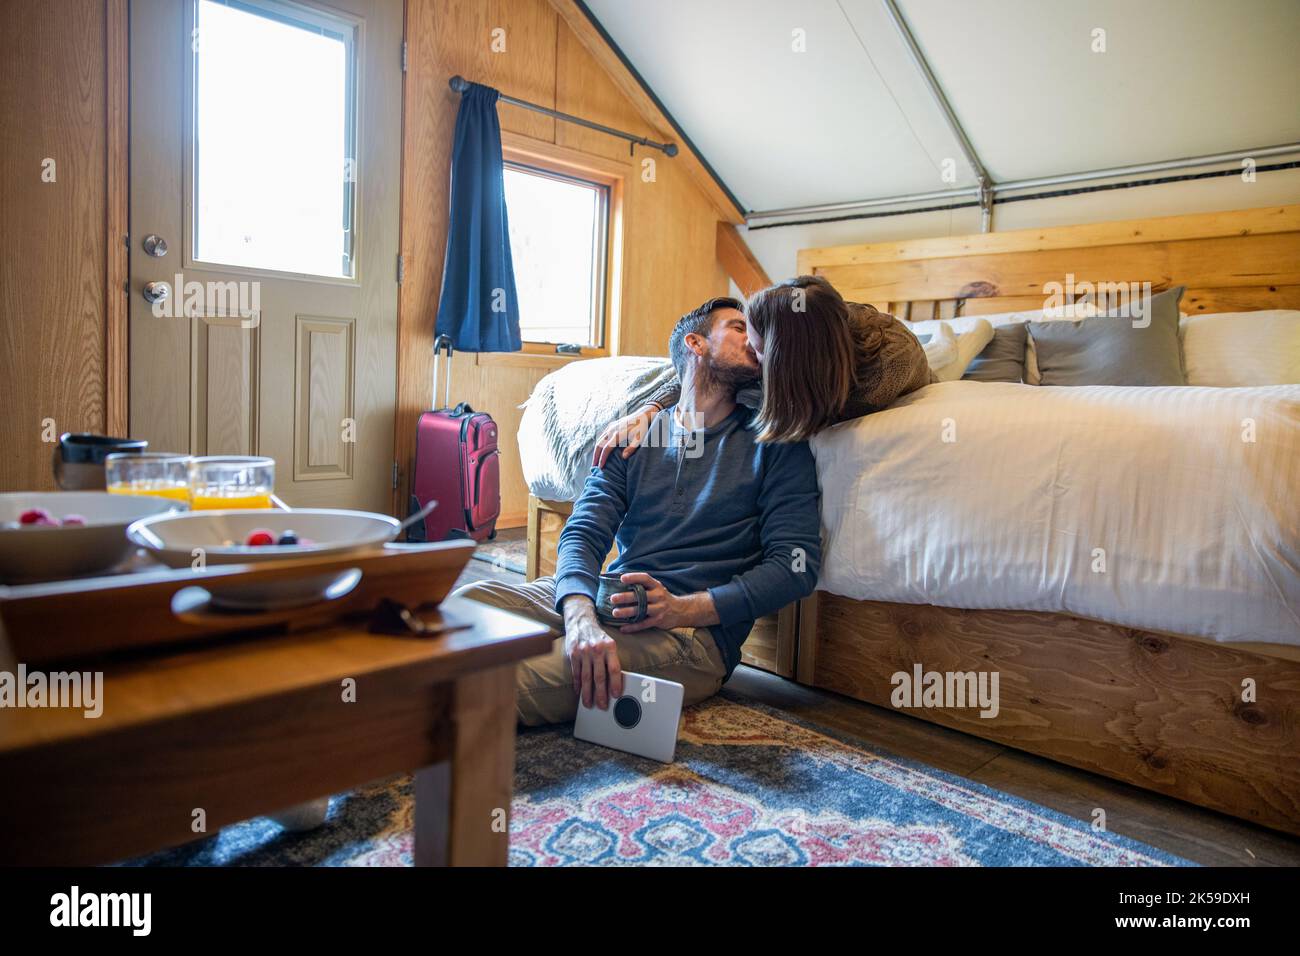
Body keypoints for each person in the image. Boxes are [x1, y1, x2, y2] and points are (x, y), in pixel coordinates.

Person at [451, 297, 822, 726]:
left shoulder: (776, 443)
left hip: (691, 637)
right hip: (614, 599)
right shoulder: (633, 435)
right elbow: (584, 531)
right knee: (461, 608)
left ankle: (379, 726)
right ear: (695, 344)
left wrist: (684, 609)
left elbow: (796, 566)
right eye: (738, 328)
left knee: (498, 680)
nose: (755, 342)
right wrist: (580, 615)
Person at [594, 276, 933, 465]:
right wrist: (650, 408)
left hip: (907, 358)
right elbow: (700, 369)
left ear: (786, 356)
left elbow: (811, 414)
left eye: (756, 347)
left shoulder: (882, 373)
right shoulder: (791, 334)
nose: (750, 353)